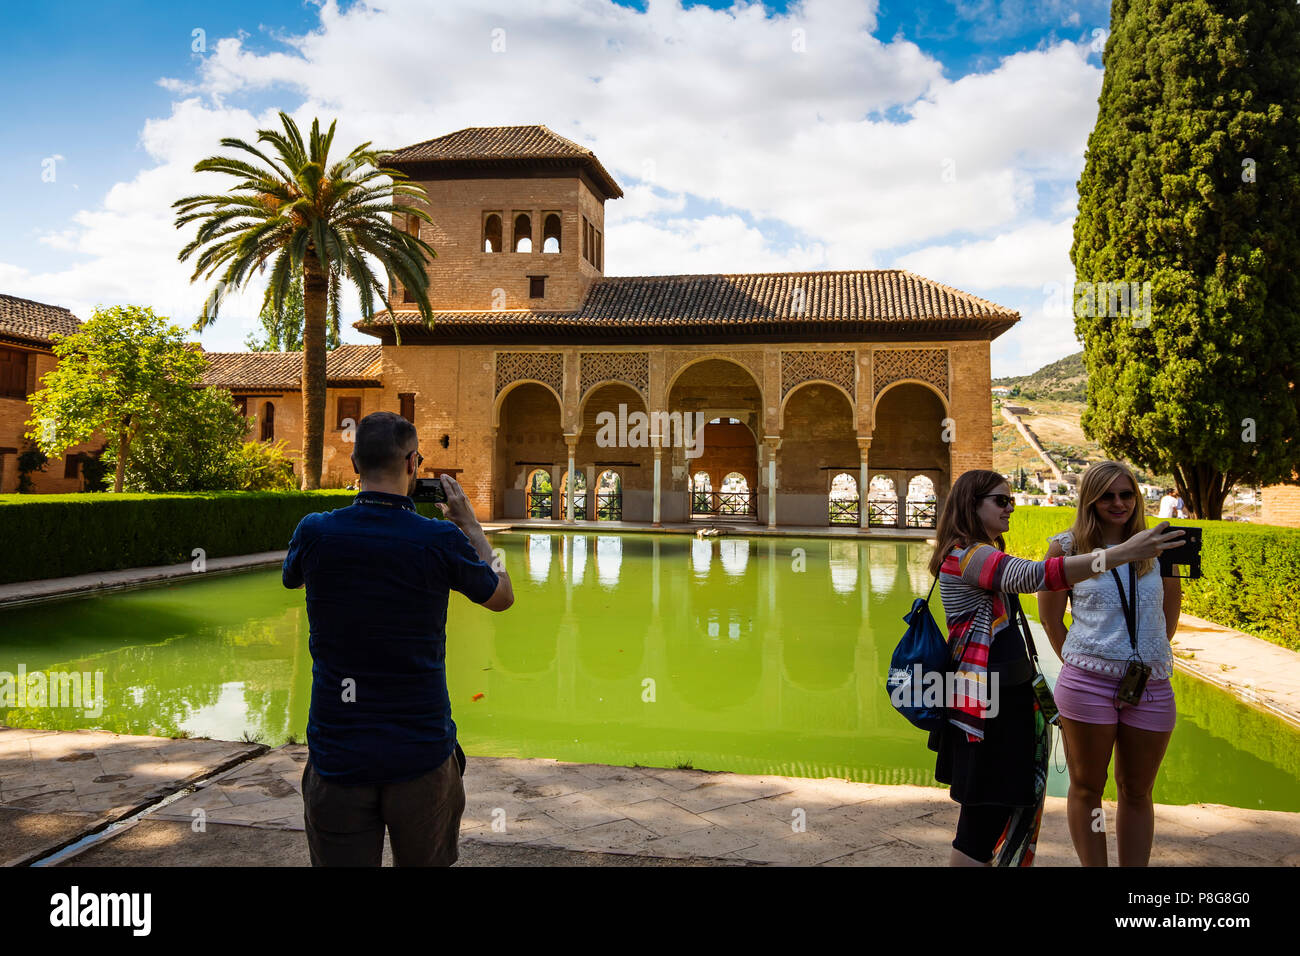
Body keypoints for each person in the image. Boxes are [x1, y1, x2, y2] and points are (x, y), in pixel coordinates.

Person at [282, 411, 514, 866]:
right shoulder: (440, 538)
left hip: (338, 752)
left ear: (354, 465)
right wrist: (473, 529)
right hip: (420, 752)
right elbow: (501, 596)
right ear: (413, 464)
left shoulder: (315, 531)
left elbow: (293, 579)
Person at [927, 469, 1182, 867]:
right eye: (1001, 500)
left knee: (998, 810)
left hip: (1003, 699)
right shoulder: (967, 556)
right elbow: (1035, 577)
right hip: (983, 706)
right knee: (982, 815)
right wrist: (1124, 553)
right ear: (970, 505)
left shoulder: (981, 552)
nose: (1011, 507)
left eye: (1011, 499)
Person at [1038, 461, 1181, 867]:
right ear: (1090, 499)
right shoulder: (1066, 548)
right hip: (1087, 683)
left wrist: (1140, 655)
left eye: (1126, 494)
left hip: (1149, 684)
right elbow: (1050, 619)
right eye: (1107, 495)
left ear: (1136, 497)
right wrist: (1083, 660)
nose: (1118, 503)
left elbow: (1168, 617)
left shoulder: (1161, 547)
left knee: (1137, 790)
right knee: (1087, 786)